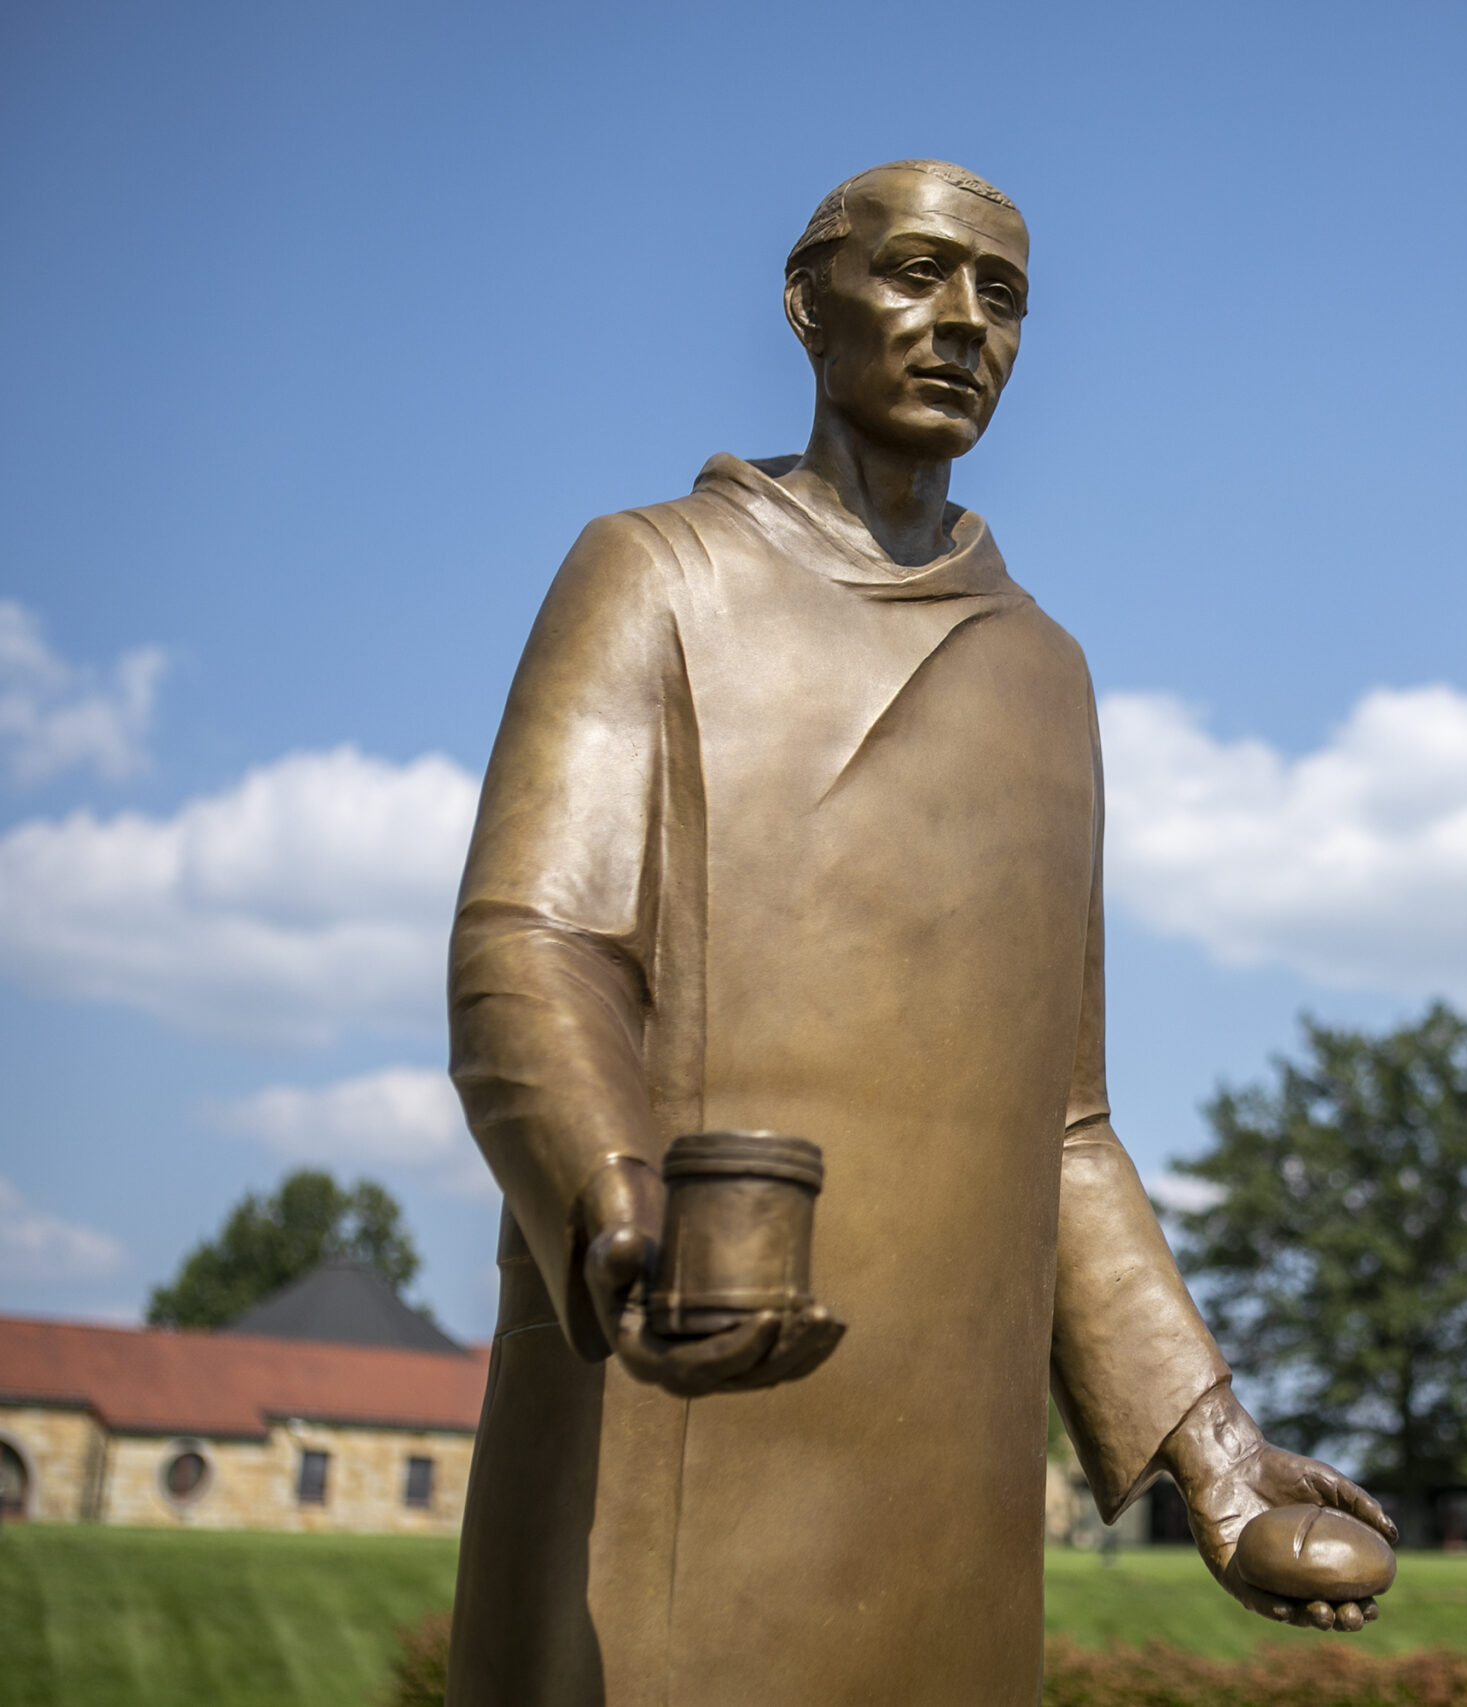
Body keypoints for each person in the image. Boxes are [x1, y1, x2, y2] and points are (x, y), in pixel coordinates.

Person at [445, 160, 1392, 1707]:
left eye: (1001, 297)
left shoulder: (1045, 675)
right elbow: (533, 950)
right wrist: (622, 1215)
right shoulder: (656, 573)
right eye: (915, 273)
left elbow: (1065, 1130)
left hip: (947, 1475)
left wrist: (1213, 1450)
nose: (963, 323)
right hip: (673, 1383)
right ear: (806, 304)